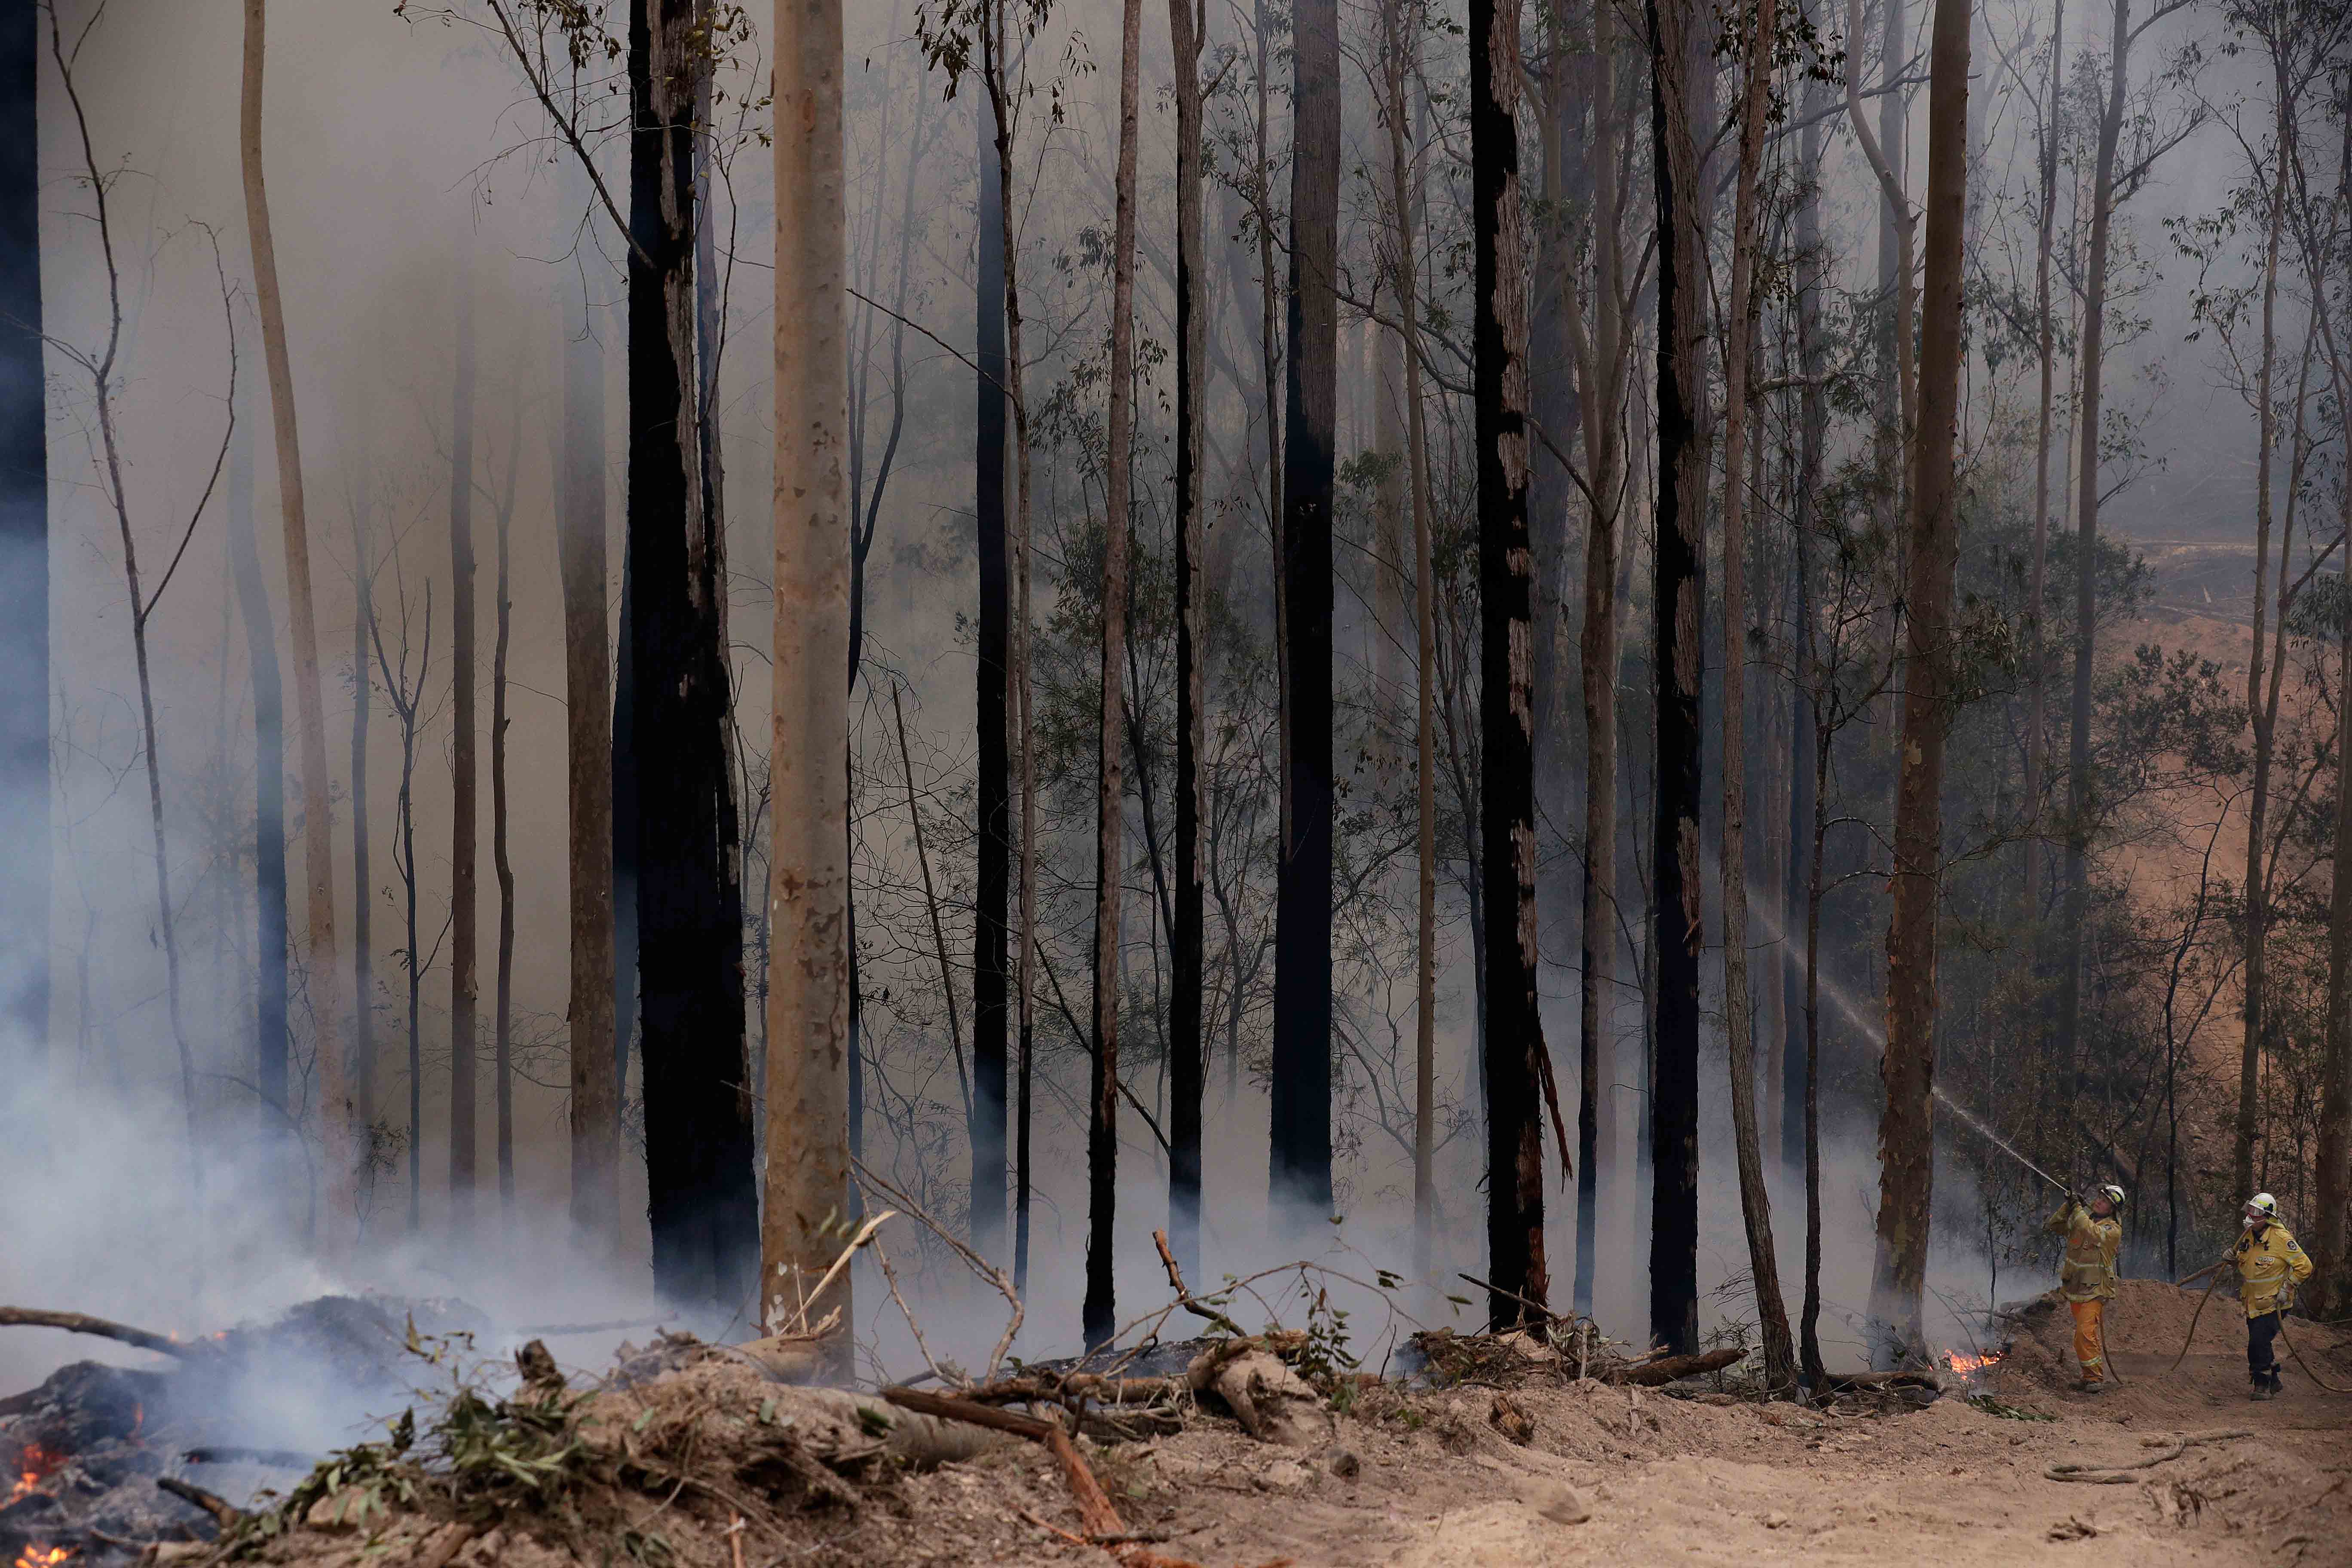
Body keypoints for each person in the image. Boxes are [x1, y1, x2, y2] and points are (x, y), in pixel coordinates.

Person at [2230, 1193, 2312, 1401]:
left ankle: (2262, 1385)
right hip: (2253, 1303)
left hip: (2275, 1303)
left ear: (2268, 1216)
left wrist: (2288, 1287)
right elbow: (2245, 1261)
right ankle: (2274, 1380)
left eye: (2257, 1213)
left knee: (2257, 1343)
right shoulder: (2249, 1236)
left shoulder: (2282, 1240)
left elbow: (2305, 1267)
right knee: (2260, 1343)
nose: (2251, 1215)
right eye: (2250, 1210)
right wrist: (2232, 1258)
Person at [2043, 1184, 2125, 1390]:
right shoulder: (2083, 1219)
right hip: (2076, 1289)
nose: (2098, 1201)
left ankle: (2095, 1379)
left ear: (2112, 1209)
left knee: (2085, 1334)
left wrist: (2078, 1207)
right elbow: (2054, 1225)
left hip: (2095, 1291)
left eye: (2105, 1201)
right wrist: (2068, 1206)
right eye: (2099, 1197)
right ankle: (2089, 1376)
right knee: (2082, 1337)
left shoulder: (2112, 1230)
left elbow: (2091, 1232)